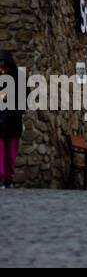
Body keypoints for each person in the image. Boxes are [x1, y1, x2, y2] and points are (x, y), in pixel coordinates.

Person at [0, 50, 22, 188]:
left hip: (12, 122)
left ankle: (8, 178)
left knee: (10, 153)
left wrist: (9, 115)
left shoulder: (18, 79)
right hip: (1, 122)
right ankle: (2, 177)